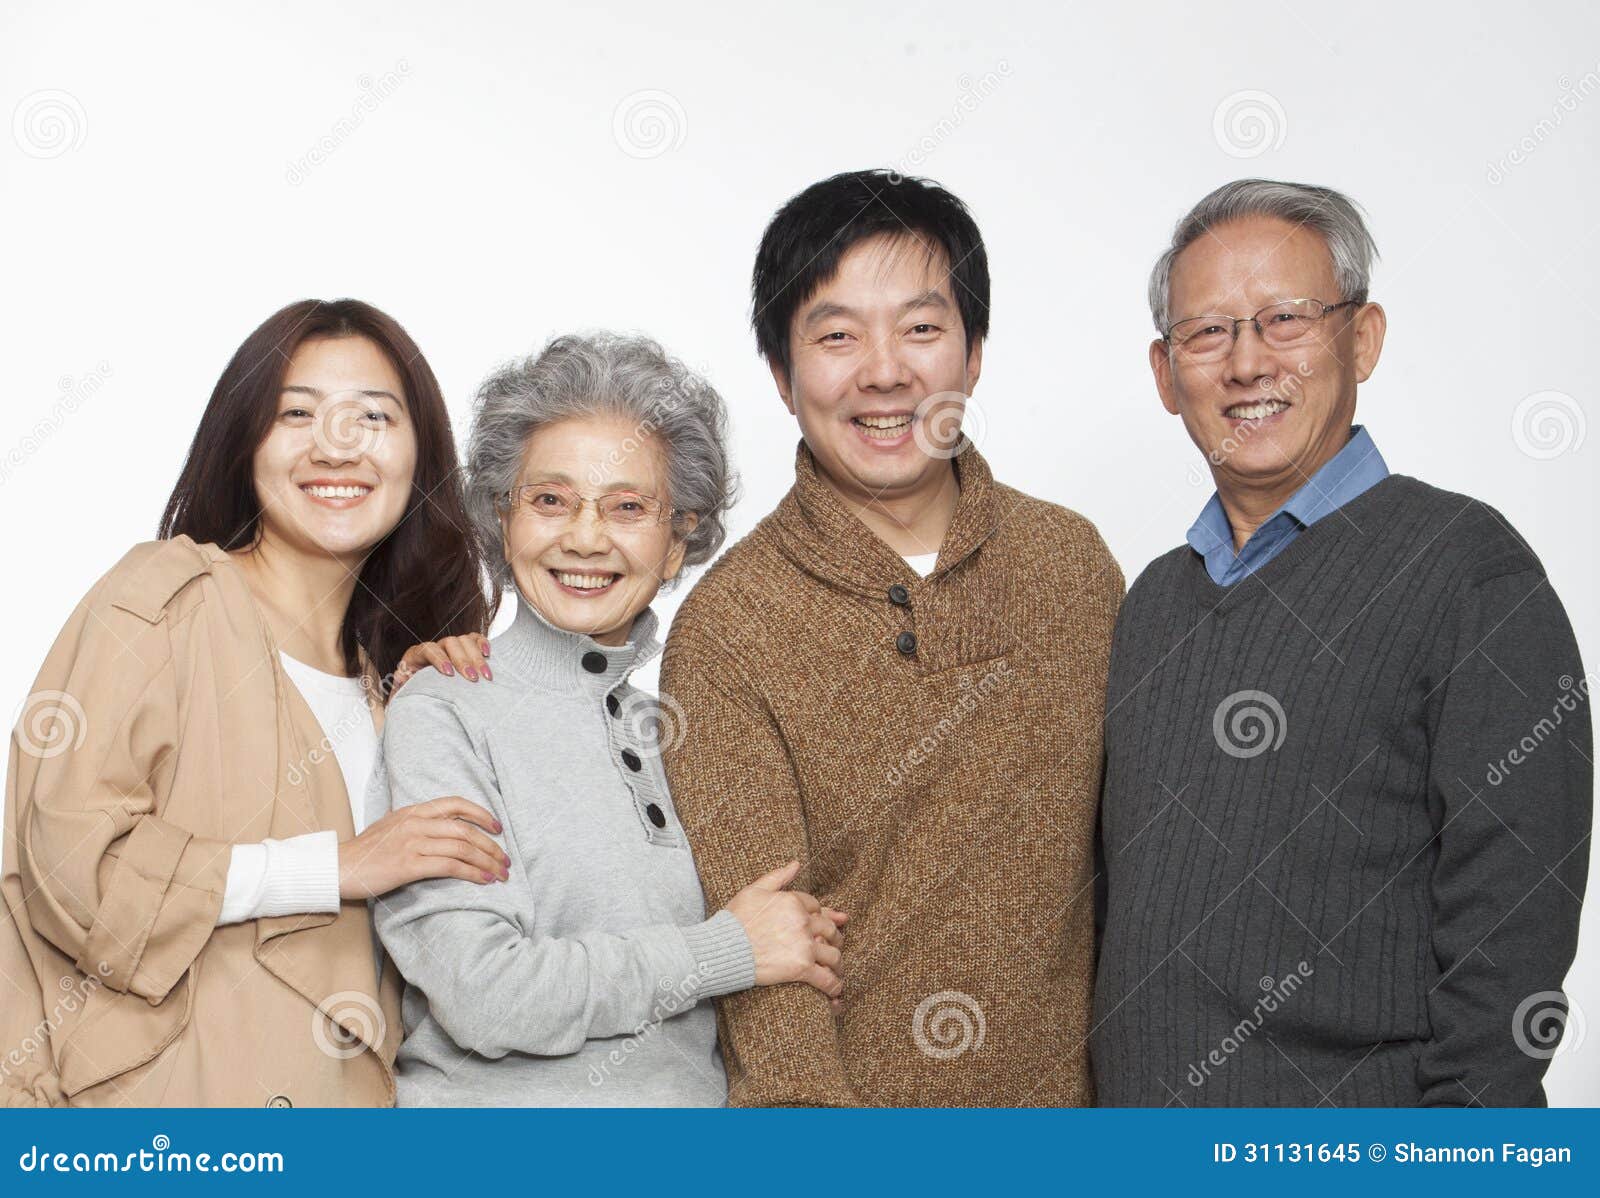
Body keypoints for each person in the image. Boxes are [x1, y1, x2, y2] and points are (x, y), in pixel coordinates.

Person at [1092, 179, 1592, 1106]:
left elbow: (1513, 928)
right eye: (1208, 333)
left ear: (1361, 338)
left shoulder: (1466, 571)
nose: (1246, 364)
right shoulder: (1154, 601)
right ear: (1166, 375)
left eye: (1285, 319)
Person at [654, 170, 1122, 1106]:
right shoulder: (732, 628)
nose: (884, 371)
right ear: (783, 377)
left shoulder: (1070, 565)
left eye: (920, 327)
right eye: (836, 336)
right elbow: (766, 973)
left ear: (974, 353)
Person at [0, 299, 504, 1107]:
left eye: (373, 416)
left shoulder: (391, 681)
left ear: (420, 455)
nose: (336, 444)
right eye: (295, 413)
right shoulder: (162, 598)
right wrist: (338, 866)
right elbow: (71, 863)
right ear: (246, 444)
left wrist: (434, 706)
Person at [371, 333, 847, 1107]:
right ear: (503, 519)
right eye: (550, 500)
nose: (585, 537)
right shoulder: (445, 707)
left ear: (676, 540)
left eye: (628, 507)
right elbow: (485, 992)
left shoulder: (689, 728)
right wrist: (722, 951)